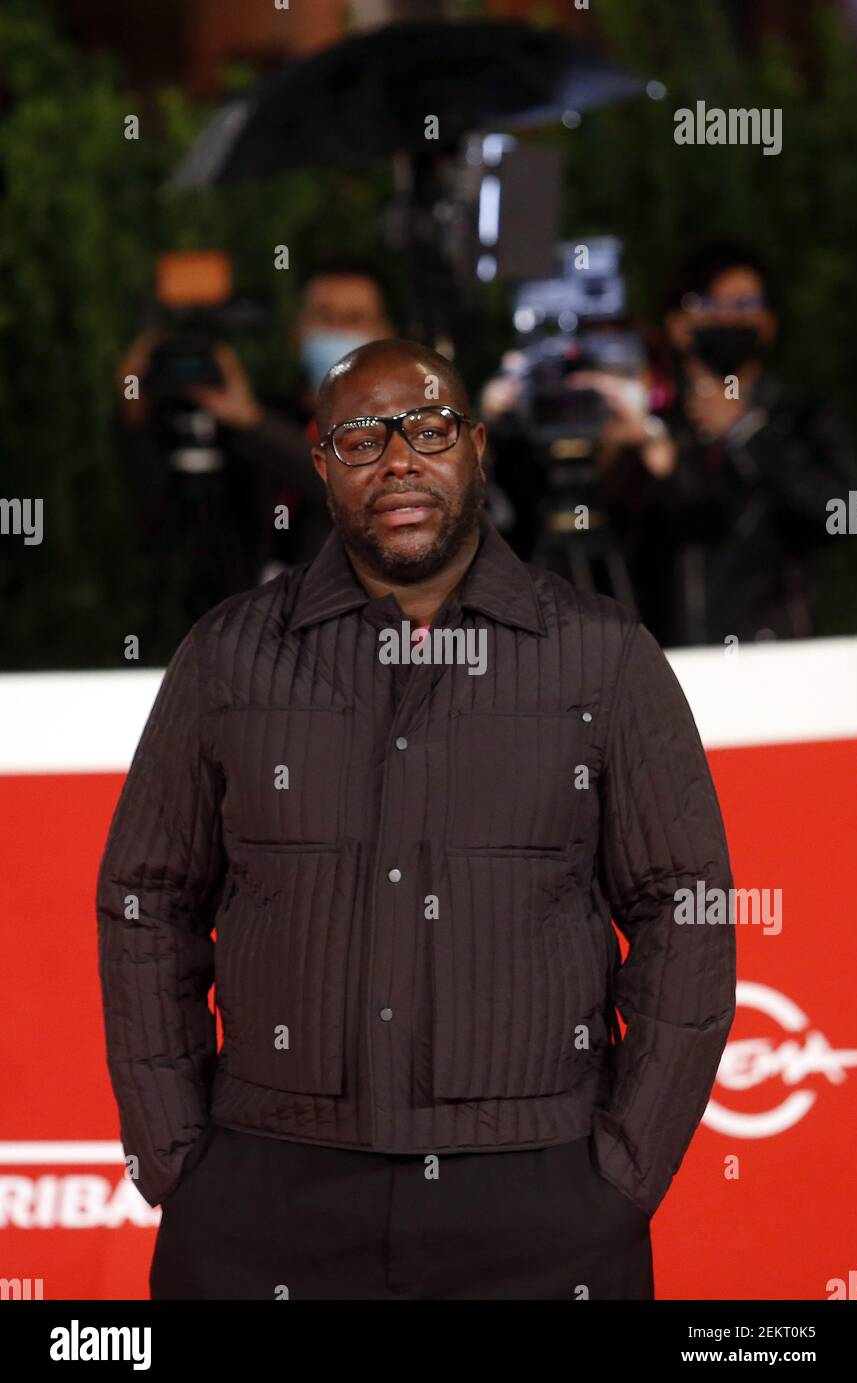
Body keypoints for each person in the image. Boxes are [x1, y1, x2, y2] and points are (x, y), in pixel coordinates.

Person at [96, 338, 736, 1301]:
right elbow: (147, 899)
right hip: (264, 1199)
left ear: (476, 447)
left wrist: (625, 1171)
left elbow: (684, 909)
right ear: (321, 464)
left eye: (428, 430)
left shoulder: (604, 660)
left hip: (540, 1204)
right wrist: (176, 1153)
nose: (398, 461)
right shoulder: (228, 659)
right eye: (361, 439)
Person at [116, 259, 395, 660]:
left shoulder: (409, 434)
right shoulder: (261, 420)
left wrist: (253, 424)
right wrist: (137, 419)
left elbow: (357, 488)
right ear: (298, 332)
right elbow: (160, 516)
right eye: (323, 317)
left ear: (385, 334)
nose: (335, 331)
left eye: (353, 319)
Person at [595, 241, 857, 645]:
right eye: (708, 303)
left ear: (769, 321)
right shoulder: (650, 419)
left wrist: (746, 431)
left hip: (780, 658)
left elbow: (848, 516)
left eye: (744, 304)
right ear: (678, 322)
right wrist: (619, 452)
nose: (726, 316)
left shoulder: (801, 416)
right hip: (663, 662)